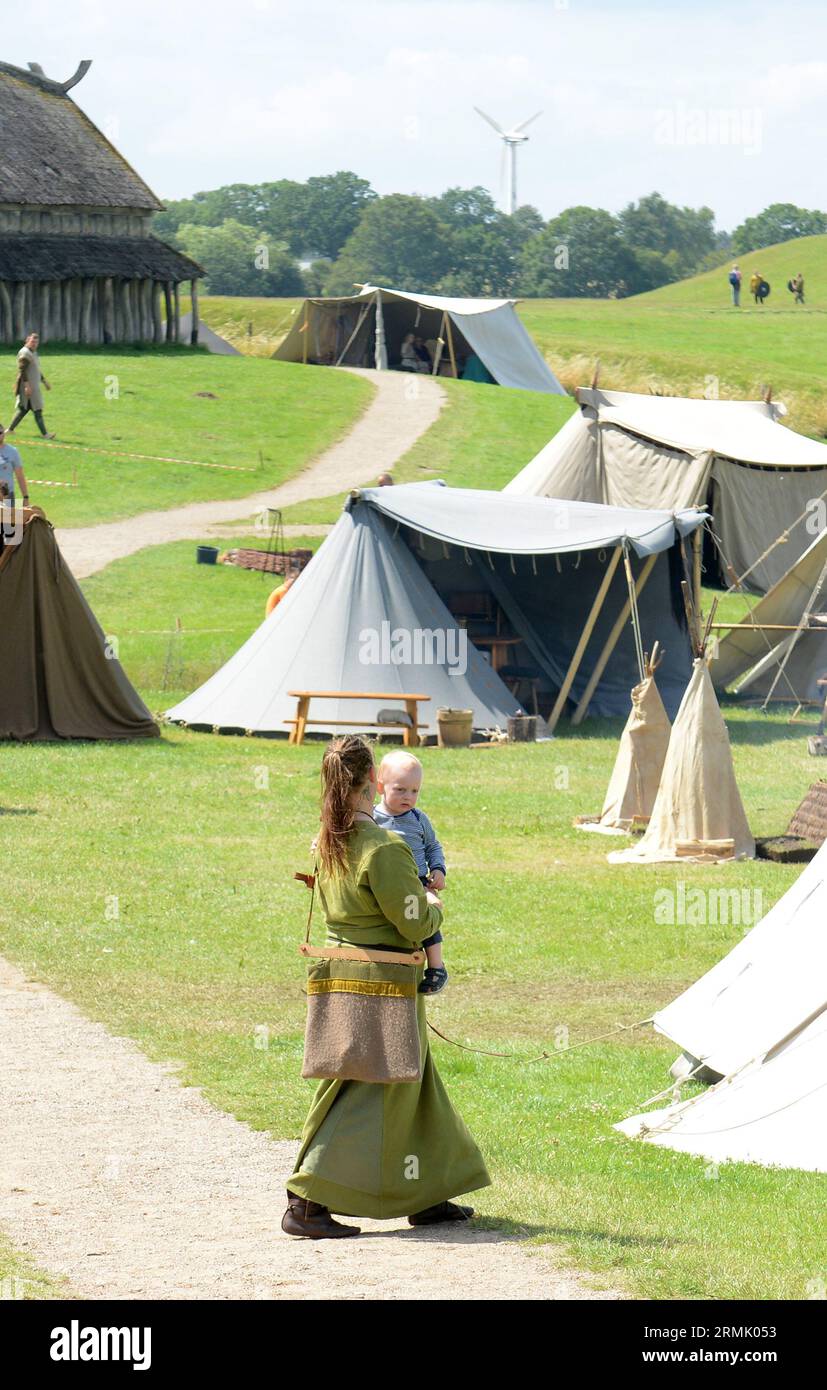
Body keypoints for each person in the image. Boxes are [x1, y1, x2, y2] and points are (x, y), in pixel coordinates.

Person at [283, 734, 491, 1238]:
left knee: (414, 1087)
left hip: (342, 979)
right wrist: (434, 905)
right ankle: (306, 1202)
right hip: (381, 988)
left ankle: (427, 1193)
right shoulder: (384, 847)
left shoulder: (328, 838)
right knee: (360, 1089)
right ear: (368, 781)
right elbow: (414, 921)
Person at [374, 750, 448, 994]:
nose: (408, 797)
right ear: (380, 786)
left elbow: (432, 846)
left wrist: (438, 868)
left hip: (416, 882)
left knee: (425, 918)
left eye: (415, 791)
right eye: (400, 790)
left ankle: (437, 966)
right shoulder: (372, 818)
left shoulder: (418, 818)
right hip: (384, 880)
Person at [8, 332, 55, 439]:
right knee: (37, 410)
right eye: (32, 341)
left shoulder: (33, 352)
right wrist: (26, 386)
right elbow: (22, 370)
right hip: (29, 387)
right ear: (27, 340)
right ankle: (45, 434)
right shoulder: (25, 354)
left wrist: (44, 381)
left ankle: (10, 430)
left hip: (33, 386)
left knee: (24, 409)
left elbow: (36, 370)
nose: (34, 344)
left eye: (36, 342)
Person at [0, 422, 30, 509]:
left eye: (0, 433)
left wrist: (25, 497)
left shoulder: (12, 451)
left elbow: (20, 476)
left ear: (4, 434)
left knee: (15, 521)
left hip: (9, 495)